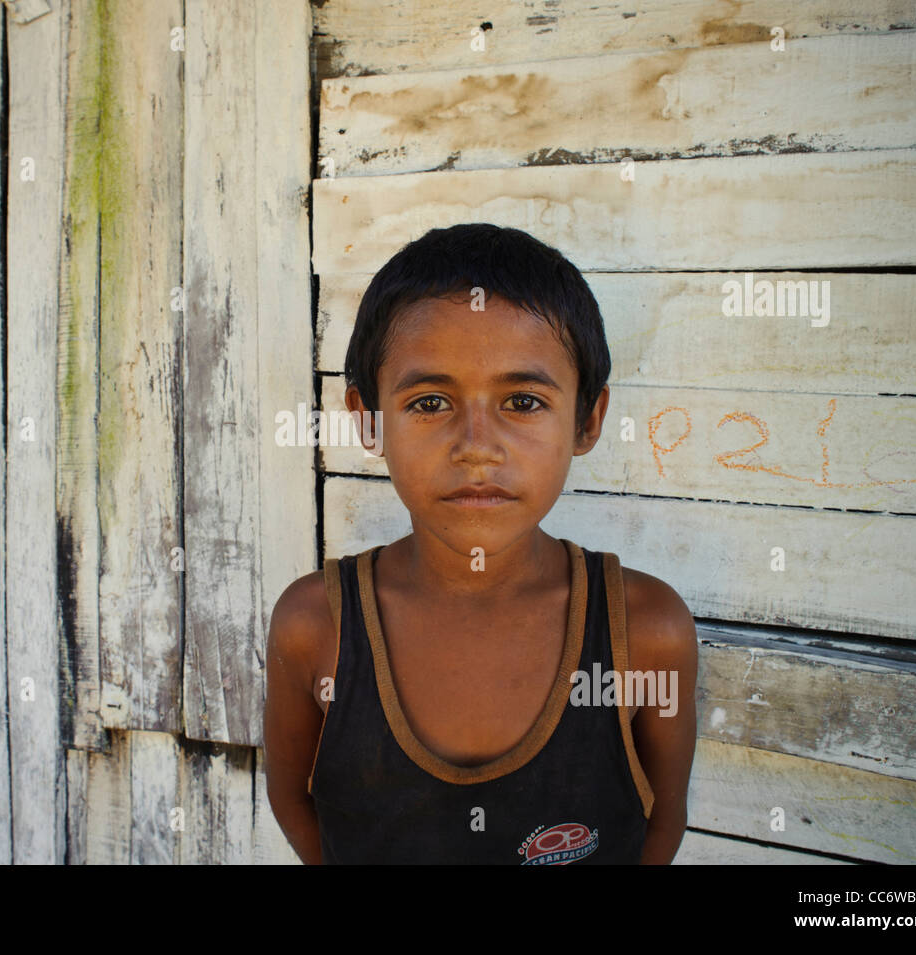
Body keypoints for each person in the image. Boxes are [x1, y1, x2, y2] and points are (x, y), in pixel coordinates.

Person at [263, 223, 698, 864]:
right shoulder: (315, 625)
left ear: (587, 420)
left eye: (522, 401)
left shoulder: (644, 629)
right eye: (431, 401)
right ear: (368, 419)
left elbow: (660, 821)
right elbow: (294, 801)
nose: (476, 445)